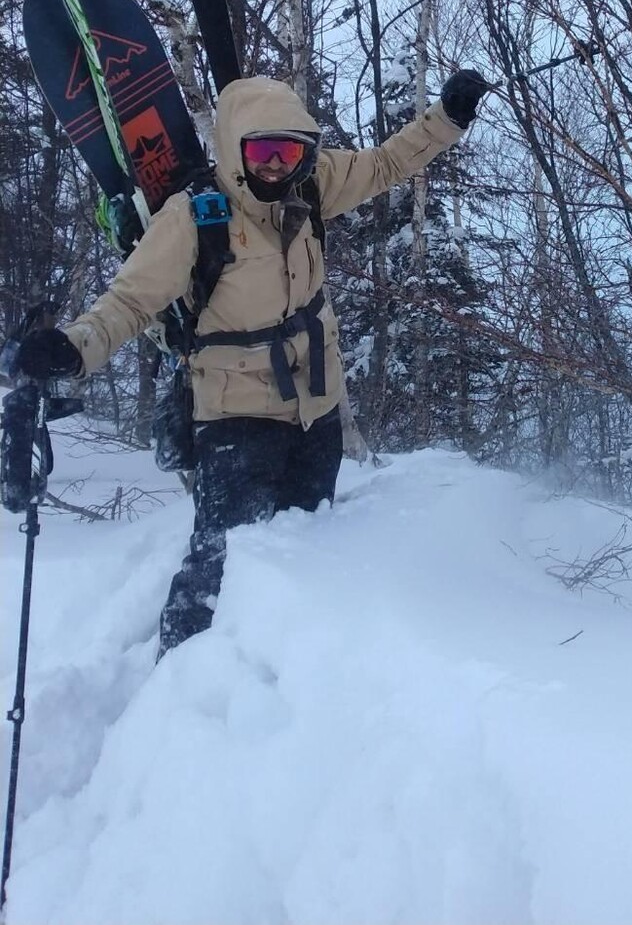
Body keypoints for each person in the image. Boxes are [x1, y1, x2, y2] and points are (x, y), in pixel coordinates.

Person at [14, 69, 488, 656]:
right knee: (219, 564)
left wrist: (446, 119)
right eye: (262, 150)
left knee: (302, 553)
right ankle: (179, 681)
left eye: (289, 151)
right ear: (236, 148)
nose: (275, 165)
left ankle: (275, 683)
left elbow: (386, 163)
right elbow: (131, 301)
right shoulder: (195, 217)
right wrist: (74, 347)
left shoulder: (312, 186)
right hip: (236, 421)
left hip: (316, 414)